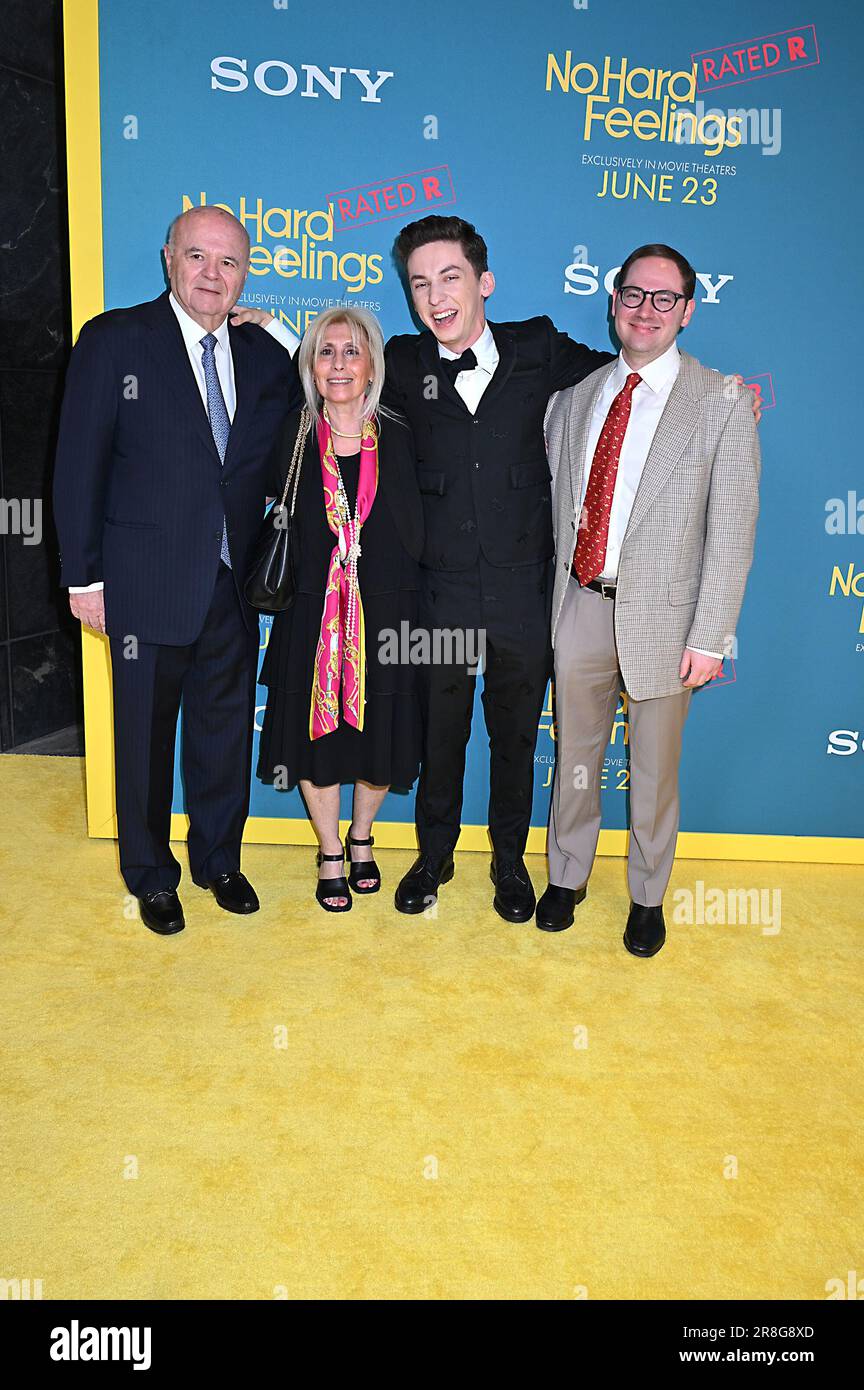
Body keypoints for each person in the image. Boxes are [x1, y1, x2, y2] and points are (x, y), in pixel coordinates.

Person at [53, 206, 301, 935]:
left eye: (228, 262)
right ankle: (151, 874)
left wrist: (287, 337)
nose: (212, 275)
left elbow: (314, 410)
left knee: (224, 735)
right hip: (142, 583)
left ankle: (219, 859)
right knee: (144, 739)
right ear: (169, 259)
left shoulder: (261, 356)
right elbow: (77, 467)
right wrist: (84, 579)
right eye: (198, 257)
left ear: (246, 271)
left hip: (233, 582)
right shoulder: (115, 340)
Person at [537, 243, 760, 956]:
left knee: (656, 770)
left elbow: (731, 529)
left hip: (667, 620)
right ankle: (567, 875)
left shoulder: (722, 401)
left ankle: (646, 895)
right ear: (614, 301)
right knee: (575, 754)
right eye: (635, 294)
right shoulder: (573, 401)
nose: (647, 310)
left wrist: (710, 635)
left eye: (665, 299)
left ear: (688, 312)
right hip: (578, 604)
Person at [256, 308, 423, 911]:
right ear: (311, 366)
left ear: (373, 363)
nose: (340, 364)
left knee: (380, 738)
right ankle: (329, 848)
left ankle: (361, 837)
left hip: (390, 613)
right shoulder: (294, 435)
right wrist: (271, 326)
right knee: (315, 743)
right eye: (326, 353)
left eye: (352, 352)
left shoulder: (403, 431)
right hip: (312, 613)